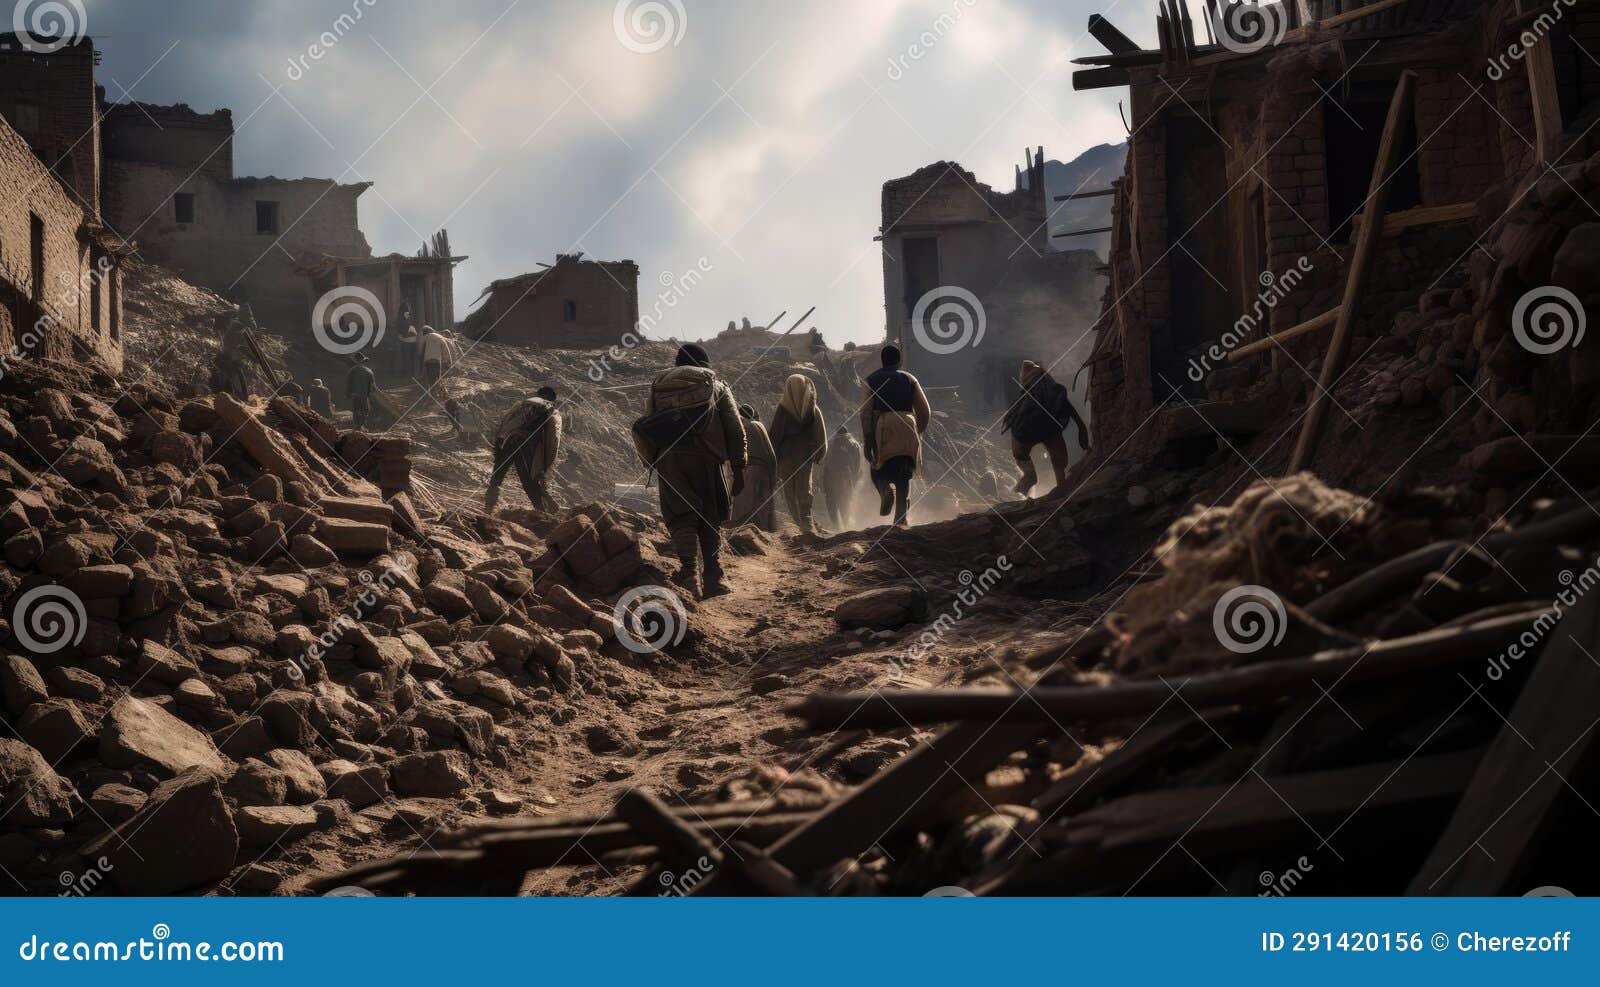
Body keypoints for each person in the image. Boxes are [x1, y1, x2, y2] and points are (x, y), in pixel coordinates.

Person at [632, 343, 747, 599]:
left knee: (681, 515)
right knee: (710, 515)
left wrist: (653, 462)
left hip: (669, 458)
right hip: (708, 457)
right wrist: (739, 467)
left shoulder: (659, 384)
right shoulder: (716, 385)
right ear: (704, 364)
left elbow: (649, 424)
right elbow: (735, 427)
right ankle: (714, 576)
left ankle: (689, 574)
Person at [859, 344, 930, 527]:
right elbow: (924, 410)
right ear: (899, 360)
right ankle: (901, 519)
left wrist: (868, 440)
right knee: (905, 474)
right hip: (908, 423)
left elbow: (865, 412)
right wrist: (918, 430)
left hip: (883, 425)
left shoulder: (871, 380)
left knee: (877, 468)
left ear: (882, 361)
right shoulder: (910, 379)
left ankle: (885, 489)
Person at [1001, 359, 1090, 497]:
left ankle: (1060, 493)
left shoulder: (1051, 394)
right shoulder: (1027, 402)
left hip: (1044, 430)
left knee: (1055, 469)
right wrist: (1081, 428)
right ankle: (1015, 498)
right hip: (1030, 432)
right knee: (1036, 475)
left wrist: (1081, 429)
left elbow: (1069, 410)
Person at [485, 386, 563, 513]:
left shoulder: (523, 403)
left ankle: (488, 508)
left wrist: (498, 447)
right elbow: (552, 439)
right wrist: (545, 464)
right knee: (529, 482)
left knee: (497, 478)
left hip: (506, 441)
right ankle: (542, 512)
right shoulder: (551, 411)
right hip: (526, 446)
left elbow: (504, 423)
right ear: (552, 399)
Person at [769, 373, 828, 535]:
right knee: (802, 488)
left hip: (790, 459)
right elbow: (821, 436)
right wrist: (820, 454)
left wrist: (773, 460)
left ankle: (805, 522)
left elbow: (773, 437)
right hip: (801, 458)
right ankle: (805, 523)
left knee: (794, 491)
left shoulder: (783, 411)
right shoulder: (811, 410)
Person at [729, 403, 776, 532]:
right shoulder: (759, 426)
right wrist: (773, 474)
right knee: (761, 503)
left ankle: (741, 531)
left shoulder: (741, 427)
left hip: (750, 470)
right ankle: (763, 531)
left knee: (743, 503)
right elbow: (771, 453)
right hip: (765, 470)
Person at [820, 426, 861, 529]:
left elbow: (824, 460)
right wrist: (855, 476)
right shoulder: (854, 443)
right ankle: (846, 525)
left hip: (830, 473)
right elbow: (857, 463)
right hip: (846, 474)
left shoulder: (830, 442)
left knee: (830, 499)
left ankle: (836, 526)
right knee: (846, 499)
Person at [346, 353, 376, 430]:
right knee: (364, 410)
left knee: (356, 410)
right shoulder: (369, 371)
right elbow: (373, 386)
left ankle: (357, 426)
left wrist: (348, 394)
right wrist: (372, 394)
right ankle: (361, 425)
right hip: (364, 395)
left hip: (355, 395)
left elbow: (349, 383)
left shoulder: (352, 371)